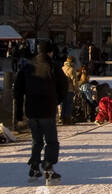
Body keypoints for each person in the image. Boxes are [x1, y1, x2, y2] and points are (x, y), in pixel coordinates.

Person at [14, 40, 70, 182]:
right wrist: (56, 100)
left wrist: (18, 113)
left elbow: (18, 91)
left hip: (32, 110)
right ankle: (48, 167)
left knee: (36, 140)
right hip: (47, 109)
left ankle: (34, 168)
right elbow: (64, 86)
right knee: (51, 141)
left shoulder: (26, 67)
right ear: (50, 52)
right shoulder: (53, 67)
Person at [61, 53, 86, 124]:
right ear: (72, 62)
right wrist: (77, 90)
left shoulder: (62, 68)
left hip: (63, 89)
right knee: (69, 104)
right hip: (69, 89)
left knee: (63, 104)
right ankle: (67, 119)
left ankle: (62, 119)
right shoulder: (72, 69)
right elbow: (74, 81)